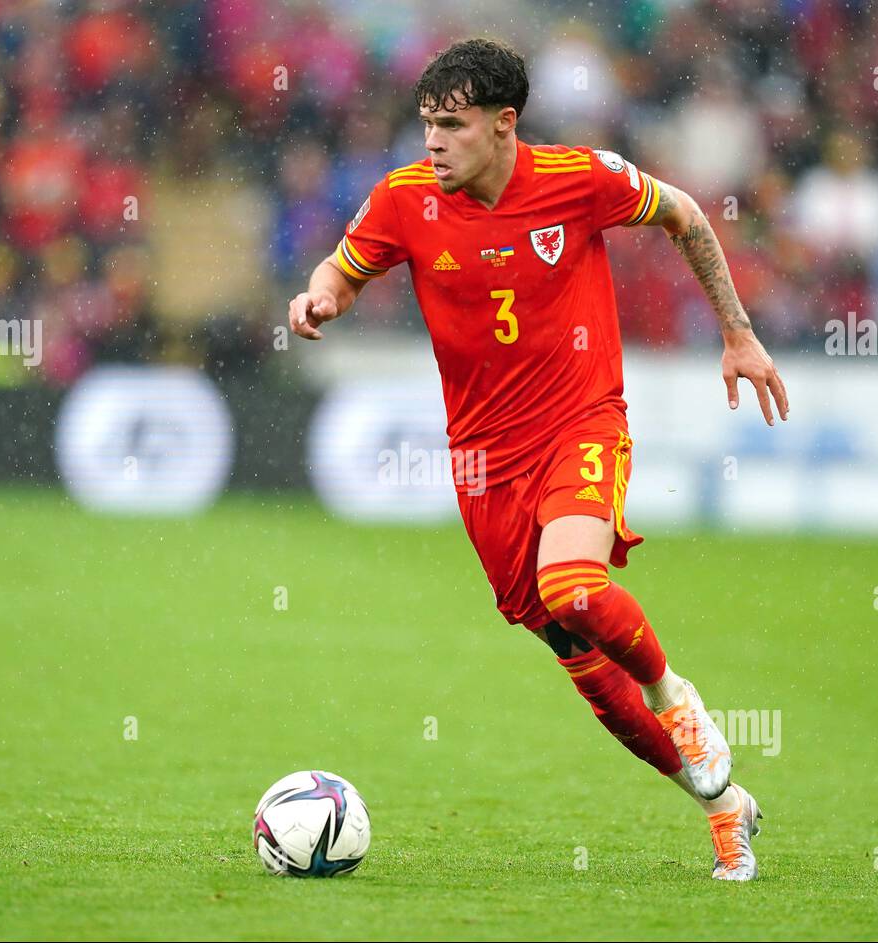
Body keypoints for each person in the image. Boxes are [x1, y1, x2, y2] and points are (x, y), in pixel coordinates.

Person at [288, 39, 790, 881]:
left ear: (503, 123)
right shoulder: (404, 199)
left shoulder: (581, 178)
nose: (435, 143)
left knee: (574, 587)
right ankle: (722, 806)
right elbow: (343, 273)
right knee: (573, 648)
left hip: (580, 423)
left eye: (452, 125)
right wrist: (318, 300)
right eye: (427, 126)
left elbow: (687, 217)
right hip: (483, 460)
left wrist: (737, 332)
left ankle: (677, 699)